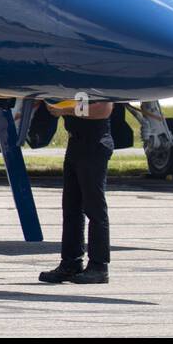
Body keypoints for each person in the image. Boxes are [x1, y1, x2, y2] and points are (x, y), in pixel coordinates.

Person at [39, 98, 114, 284]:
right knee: (71, 208)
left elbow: (104, 109)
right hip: (76, 142)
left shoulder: (97, 76)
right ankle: (70, 262)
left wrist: (67, 110)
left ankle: (99, 266)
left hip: (94, 143)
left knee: (94, 208)